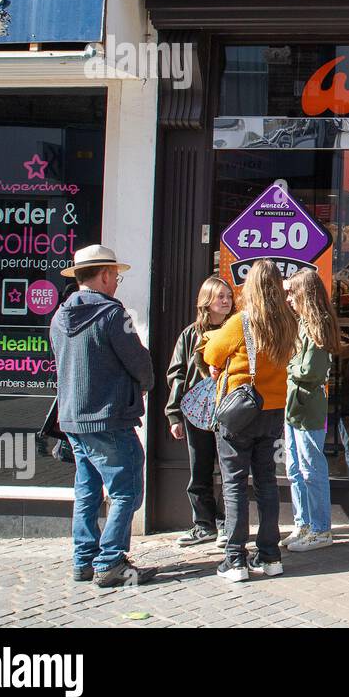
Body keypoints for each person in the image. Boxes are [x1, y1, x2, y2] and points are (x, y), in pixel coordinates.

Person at [51, 244, 157, 588]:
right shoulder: (112, 314)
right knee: (126, 488)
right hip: (108, 417)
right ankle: (110, 560)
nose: (116, 283)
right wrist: (145, 383)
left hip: (72, 418)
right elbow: (138, 361)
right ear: (105, 275)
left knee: (87, 490)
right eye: (116, 276)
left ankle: (83, 559)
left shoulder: (60, 315)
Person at [203, 258, 297, 582]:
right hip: (272, 411)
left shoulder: (240, 322)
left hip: (240, 412)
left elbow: (211, 354)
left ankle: (235, 560)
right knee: (267, 483)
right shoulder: (288, 322)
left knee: (235, 485)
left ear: (251, 287)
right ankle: (270, 556)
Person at [165, 276, 234, 546]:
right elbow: (177, 375)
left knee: (229, 467)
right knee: (200, 467)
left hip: (230, 408)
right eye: (221, 296)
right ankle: (203, 524)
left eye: (229, 296)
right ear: (207, 301)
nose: (227, 301)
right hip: (197, 410)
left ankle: (228, 522)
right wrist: (174, 414)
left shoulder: (236, 329)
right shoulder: (190, 335)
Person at [282, 269, 338, 553]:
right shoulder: (302, 322)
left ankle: (320, 529)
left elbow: (309, 370)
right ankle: (303, 523)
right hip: (294, 403)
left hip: (308, 404)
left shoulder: (318, 324)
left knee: (310, 466)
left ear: (305, 293)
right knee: (294, 467)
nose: (289, 298)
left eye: (293, 292)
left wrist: (290, 368)